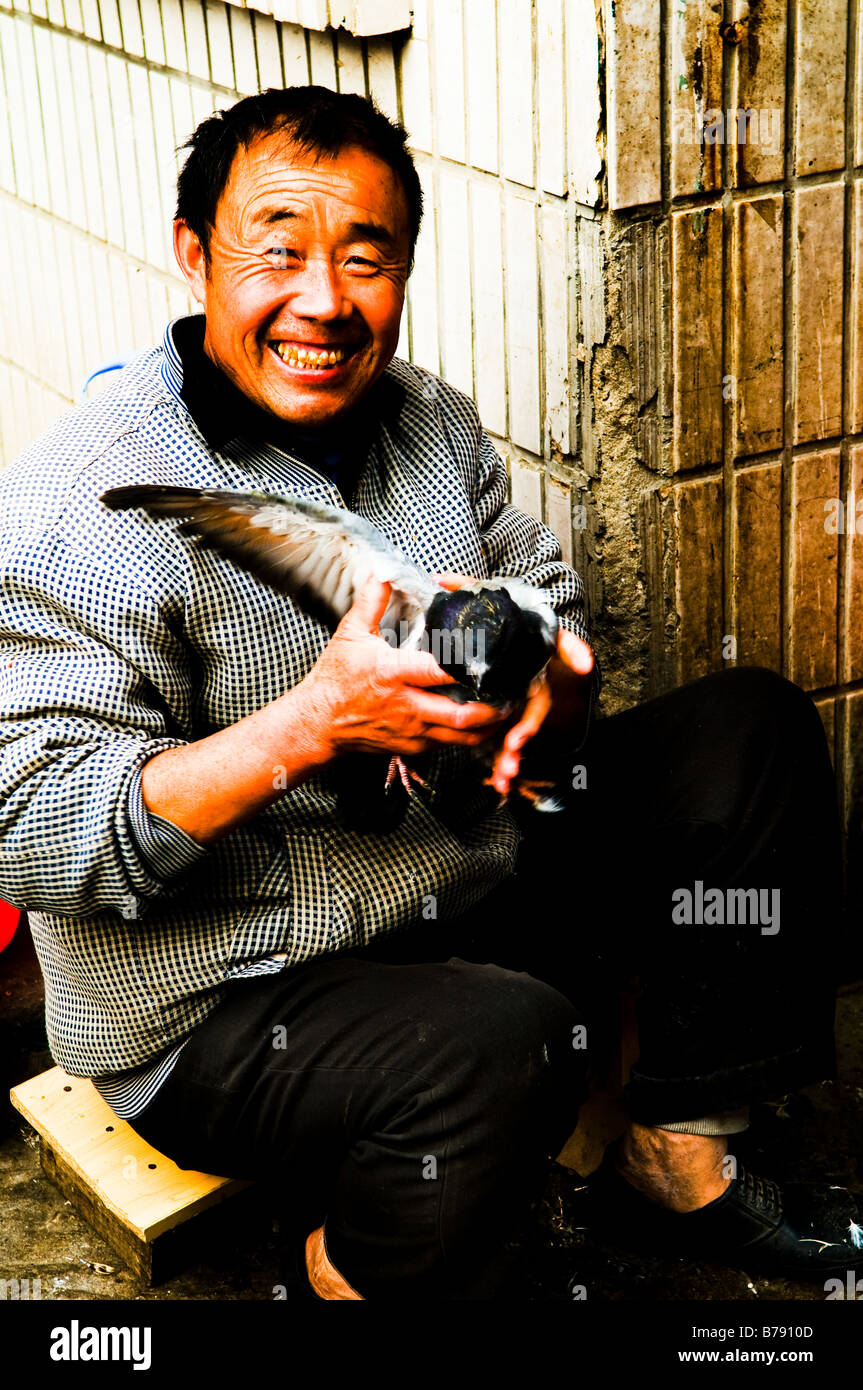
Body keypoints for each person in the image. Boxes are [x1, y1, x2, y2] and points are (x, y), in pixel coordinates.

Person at [0, 86, 859, 1300]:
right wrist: (309, 727)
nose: (324, 300)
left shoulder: (426, 422)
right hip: (227, 993)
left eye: (366, 257)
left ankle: (676, 1154)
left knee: (749, 732)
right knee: (500, 1049)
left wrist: (547, 678)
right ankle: (335, 1276)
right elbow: (28, 831)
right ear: (194, 253)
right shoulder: (76, 502)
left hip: (455, 873)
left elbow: (539, 586)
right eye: (278, 247)